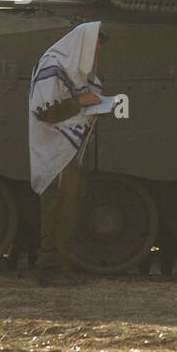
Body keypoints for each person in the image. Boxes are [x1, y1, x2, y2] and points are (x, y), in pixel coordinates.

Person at [29, 22, 111, 286]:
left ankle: (61, 267)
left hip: (66, 151)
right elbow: (44, 111)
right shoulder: (53, 66)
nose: (97, 50)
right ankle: (49, 269)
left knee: (67, 210)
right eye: (96, 44)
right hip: (54, 151)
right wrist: (82, 103)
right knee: (57, 210)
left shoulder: (73, 69)